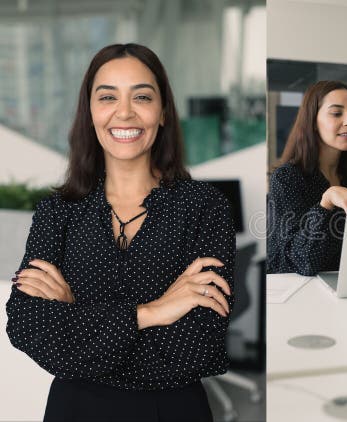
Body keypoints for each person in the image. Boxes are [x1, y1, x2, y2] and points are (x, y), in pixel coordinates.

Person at [5, 43, 235, 422]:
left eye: (142, 96)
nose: (124, 112)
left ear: (162, 113)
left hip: (172, 410)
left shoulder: (204, 207)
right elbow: (27, 325)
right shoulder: (56, 211)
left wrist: (75, 316)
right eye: (108, 96)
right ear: (90, 112)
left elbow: (200, 344)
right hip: (74, 409)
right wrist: (150, 313)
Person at [268, 80, 347, 276]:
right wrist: (326, 202)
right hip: (296, 293)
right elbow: (302, 261)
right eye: (337, 113)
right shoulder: (287, 178)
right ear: (312, 122)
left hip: (345, 288)